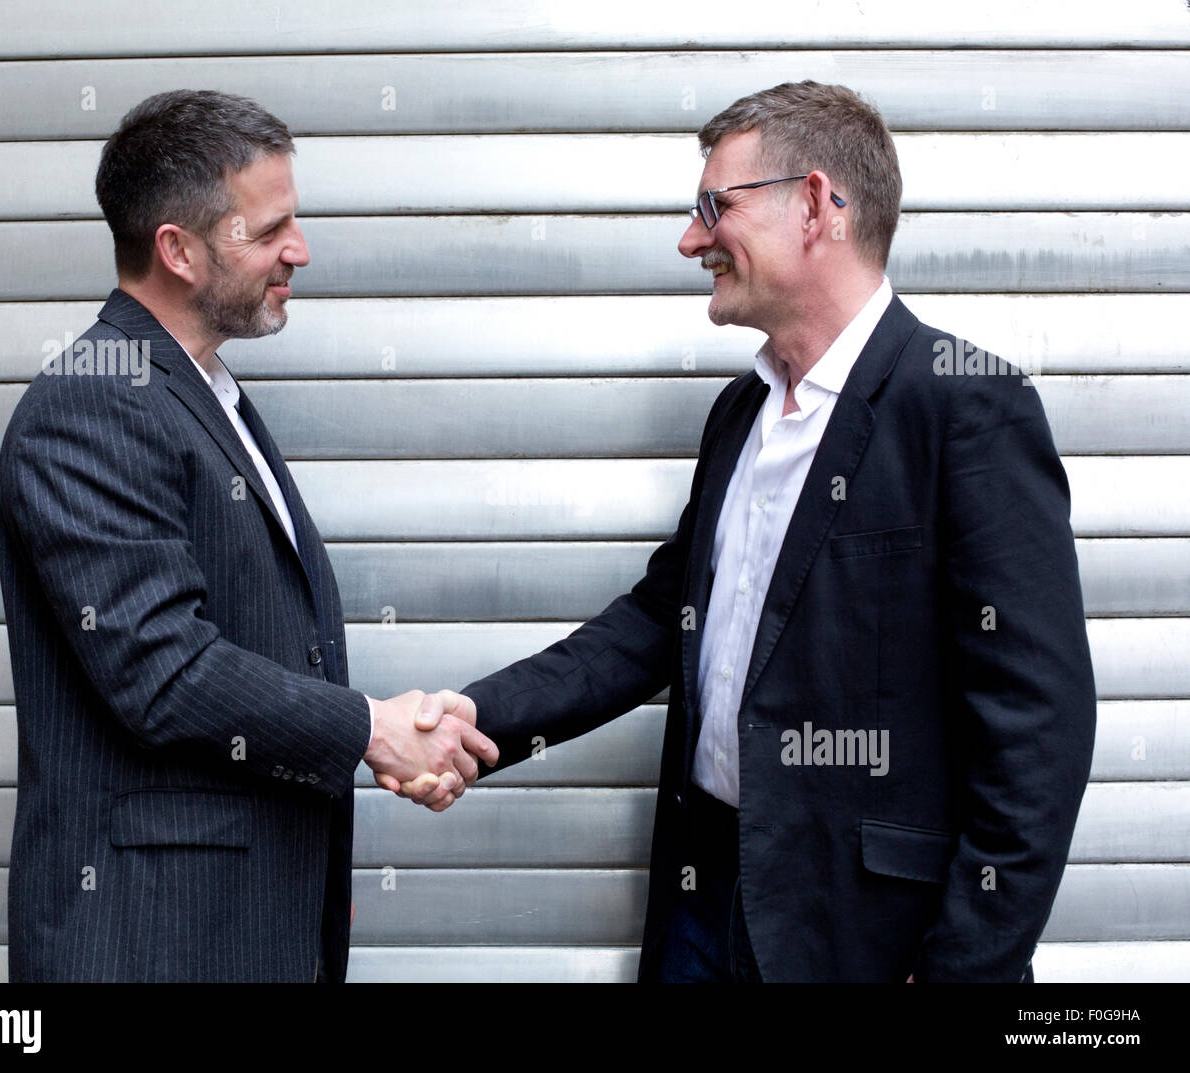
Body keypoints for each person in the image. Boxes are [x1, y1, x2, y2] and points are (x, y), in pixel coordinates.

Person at [396, 81, 1096, 982]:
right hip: (703, 897)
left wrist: (966, 968)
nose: (692, 239)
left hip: (864, 937)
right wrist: (477, 718)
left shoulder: (963, 406)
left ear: (814, 205)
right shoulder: (740, 414)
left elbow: (1040, 729)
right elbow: (657, 621)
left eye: (712, 207)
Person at [0, 90, 496, 982]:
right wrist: (372, 730)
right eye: (267, 232)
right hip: (154, 943)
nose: (298, 250)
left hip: (237, 930)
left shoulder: (198, 390)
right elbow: (163, 671)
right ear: (177, 251)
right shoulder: (94, 402)